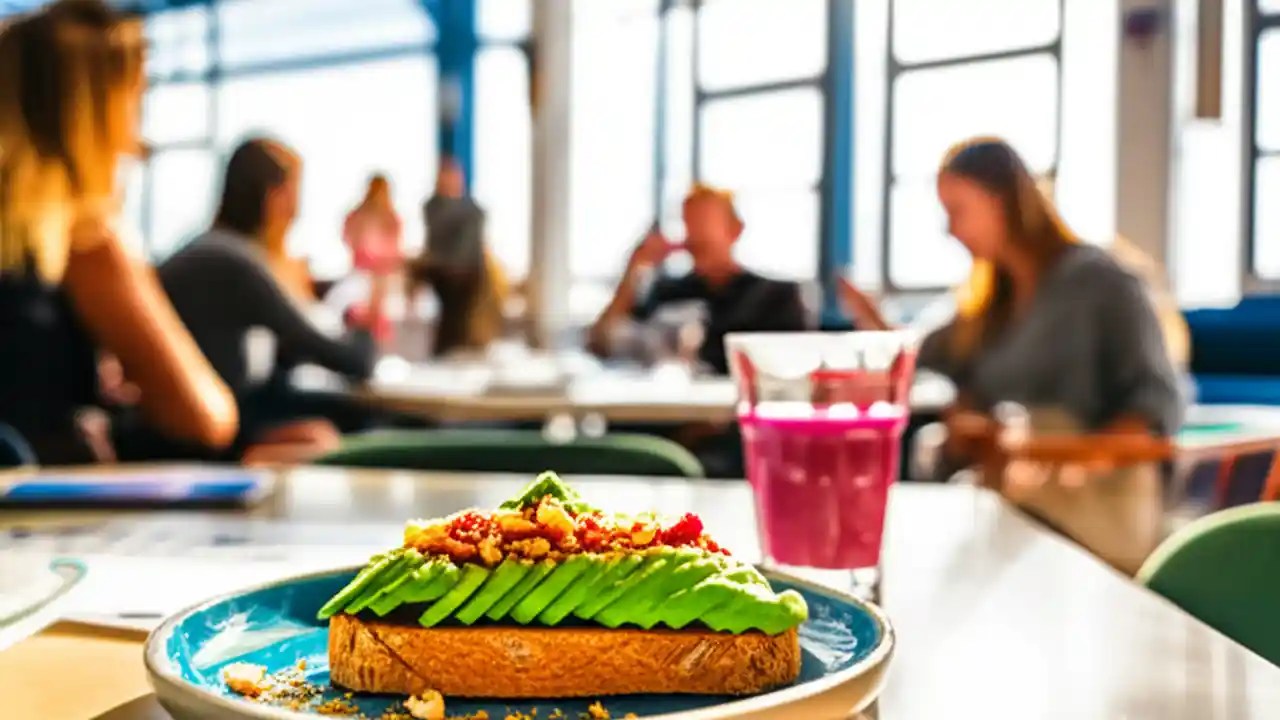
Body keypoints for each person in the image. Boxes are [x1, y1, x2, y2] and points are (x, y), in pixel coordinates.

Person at [839, 137, 1184, 572]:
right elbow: (917, 356)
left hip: (1093, 500)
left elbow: (1153, 414)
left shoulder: (1101, 284)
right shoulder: (988, 305)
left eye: (958, 211)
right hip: (1018, 494)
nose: (950, 230)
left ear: (1001, 200)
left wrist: (1043, 452)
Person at [0, 0, 238, 464]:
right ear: (98, 115)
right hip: (42, 522)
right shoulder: (82, 237)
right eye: (136, 102)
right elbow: (206, 418)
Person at [160, 138, 377, 463]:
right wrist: (365, 330)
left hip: (208, 423)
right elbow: (346, 359)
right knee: (367, 423)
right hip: (227, 432)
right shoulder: (236, 262)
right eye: (293, 195)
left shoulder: (204, 250)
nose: (297, 212)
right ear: (274, 197)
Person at [590, 184, 808, 375]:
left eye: (705, 223)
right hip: (668, 413)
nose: (695, 234)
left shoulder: (775, 297)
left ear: (735, 230)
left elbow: (790, 371)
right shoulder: (666, 292)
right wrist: (633, 271)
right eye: (688, 223)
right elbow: (601, 344)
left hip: (732, 416)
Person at [416, 158, 487, 357]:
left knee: (462, 322)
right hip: (444, 275)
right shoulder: (433, 207)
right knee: (448, 321)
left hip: (468, 274)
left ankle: (456, 354)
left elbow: (470, 241)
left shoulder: (472, 209)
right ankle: (444, 355)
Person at [343, 174, 403, 344]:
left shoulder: (392, 219)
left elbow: (395, 252)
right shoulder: (356, 217)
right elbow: (351, 241)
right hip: (361, 276)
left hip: (382, 279)